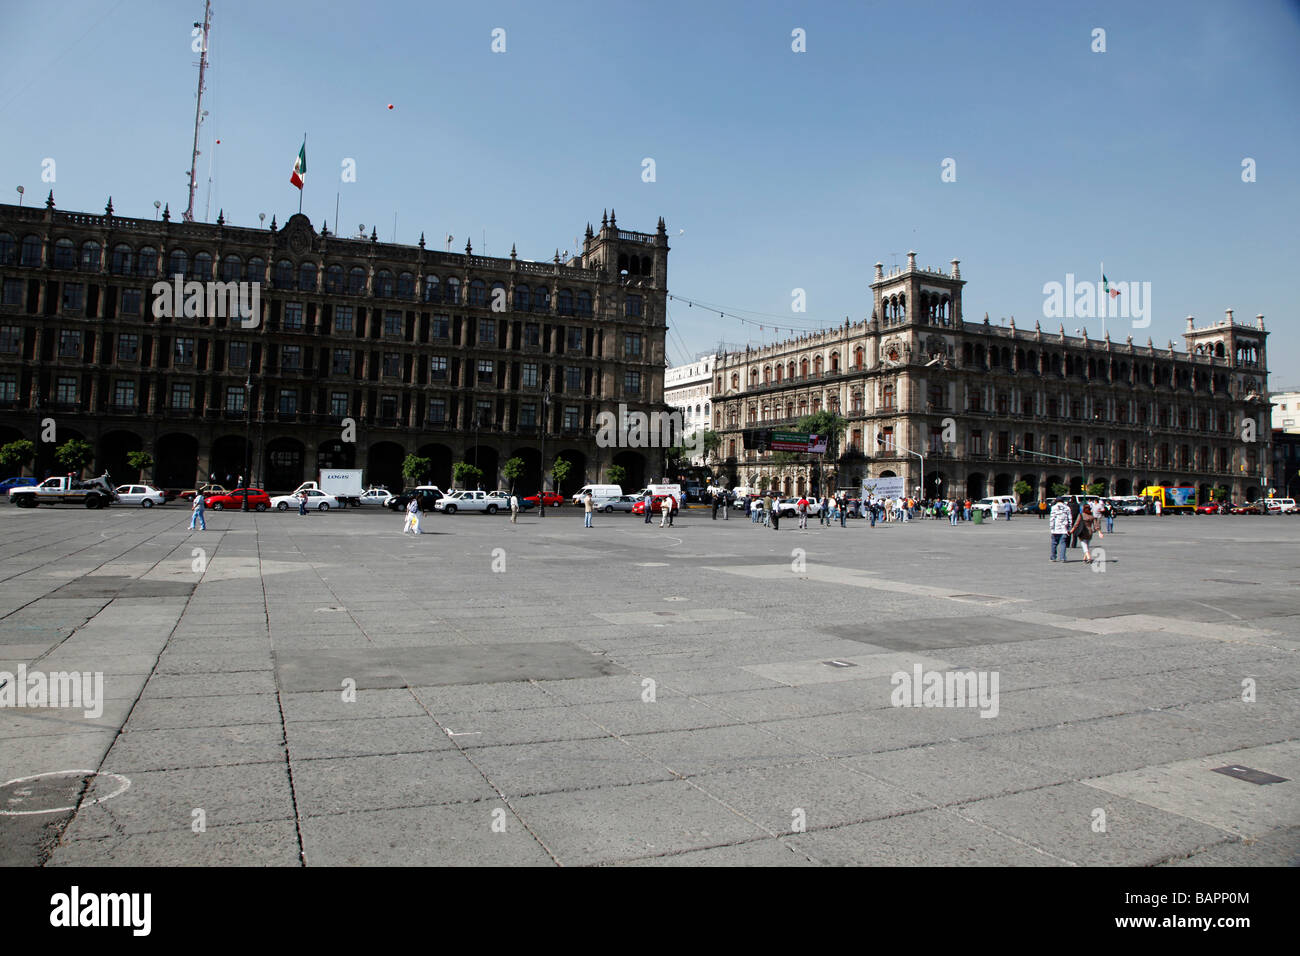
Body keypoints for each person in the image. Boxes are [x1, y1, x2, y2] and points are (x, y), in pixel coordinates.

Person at [1049, 497, 1071, 562]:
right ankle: (1063, 557)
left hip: (1056, 529)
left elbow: (1052, 518)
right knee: (1063, 543)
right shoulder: (1067, 508)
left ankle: (1053, 557)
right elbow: (1070, 518)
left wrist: (1051, 527)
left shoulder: (1054, 507)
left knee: (1054, 543)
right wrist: (1069, 527)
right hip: (1064, 528)